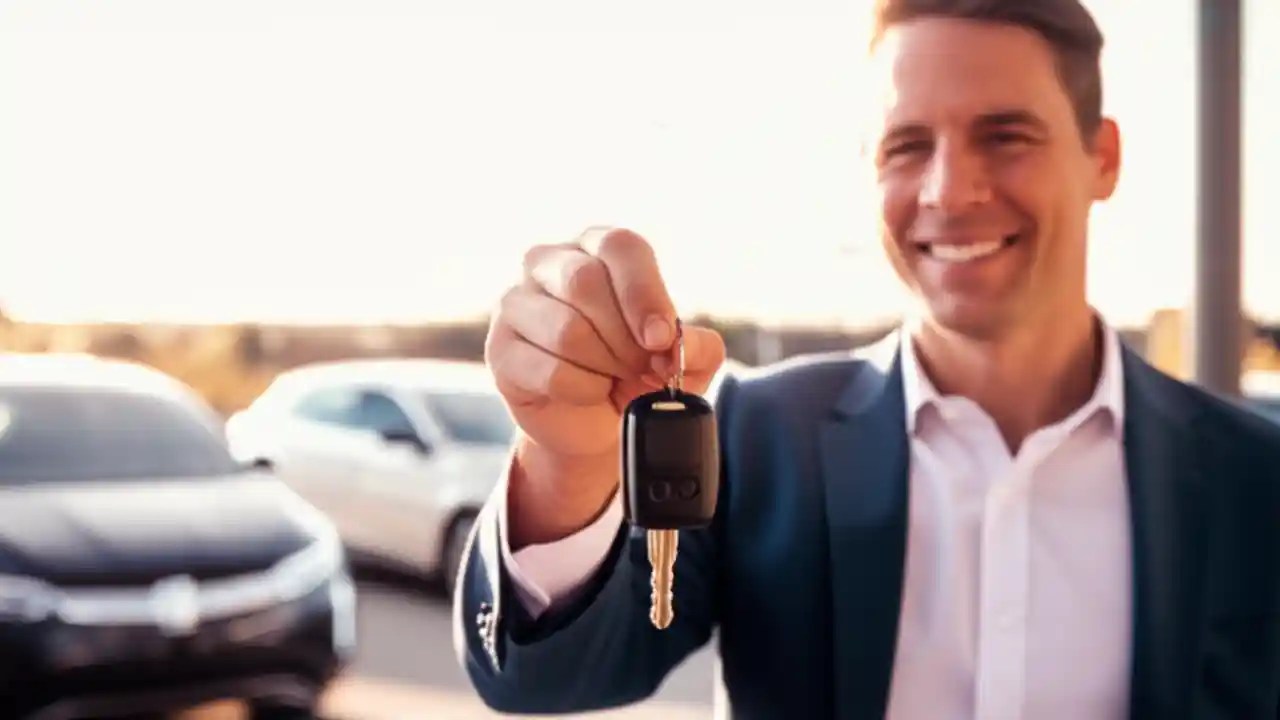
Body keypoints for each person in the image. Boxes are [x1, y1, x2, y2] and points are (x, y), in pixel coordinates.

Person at [453, 0, 1280, 717]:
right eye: (907, 145)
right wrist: (569, 464)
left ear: (1102, 157)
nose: (949, 191)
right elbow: (542, 678)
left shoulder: (1257, 478)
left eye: (1006, 136)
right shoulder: (754, 436)